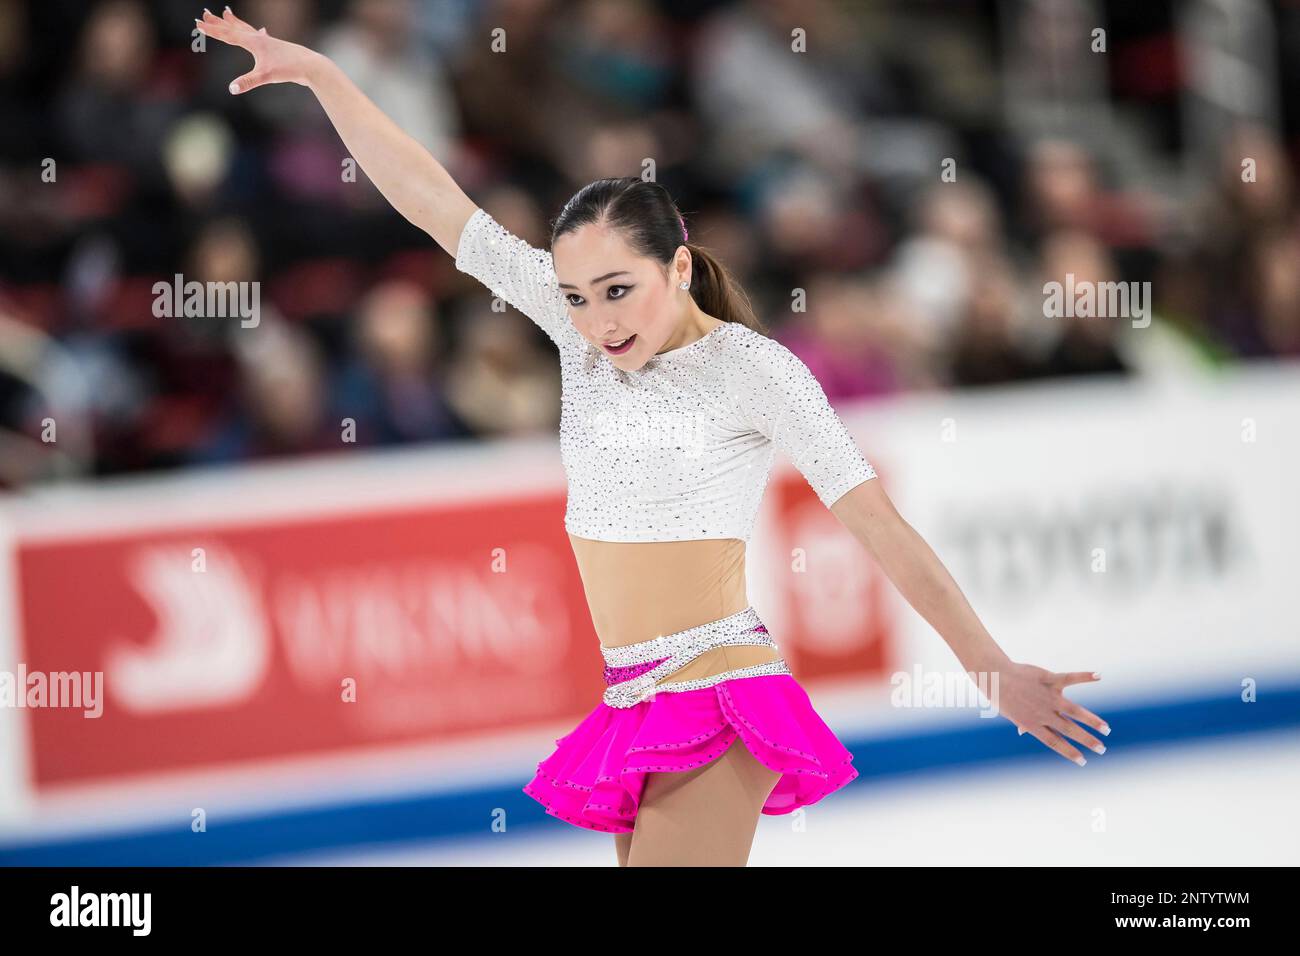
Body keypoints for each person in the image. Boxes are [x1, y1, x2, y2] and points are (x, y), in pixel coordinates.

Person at [196, 7, 1110, 867]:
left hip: (716, 693)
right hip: (633, 693)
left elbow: (880, 526)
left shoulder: (754, 370)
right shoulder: (572, 335)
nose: (598, 320)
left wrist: (987, 668)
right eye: (578, 297)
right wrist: (321, 76)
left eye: (620, 290)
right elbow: (433, 202)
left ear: (677, 266)